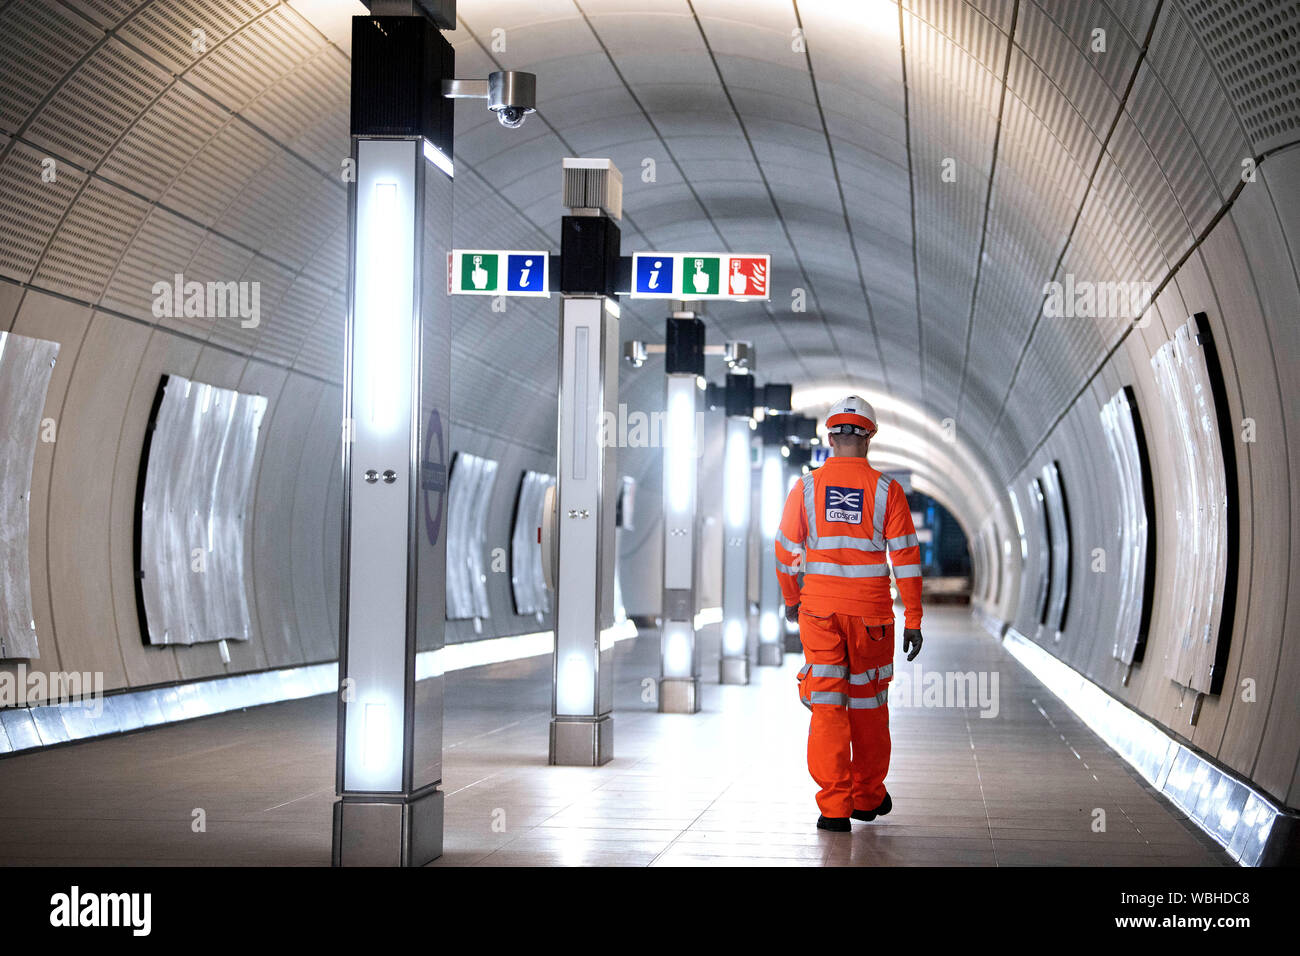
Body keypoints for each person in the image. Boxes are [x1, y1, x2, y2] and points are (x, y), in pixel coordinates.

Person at [775, 396, 924, 831]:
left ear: (830, 436)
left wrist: (791, 599)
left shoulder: (805, 488)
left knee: (827, 706)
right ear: (869, 438)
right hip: (871, 618)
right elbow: (907, 559)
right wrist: (912, 617)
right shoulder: (886, 491)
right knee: (870, 706)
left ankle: (833, 808)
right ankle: (867, 797)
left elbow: (786, 551)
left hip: (818, 613)